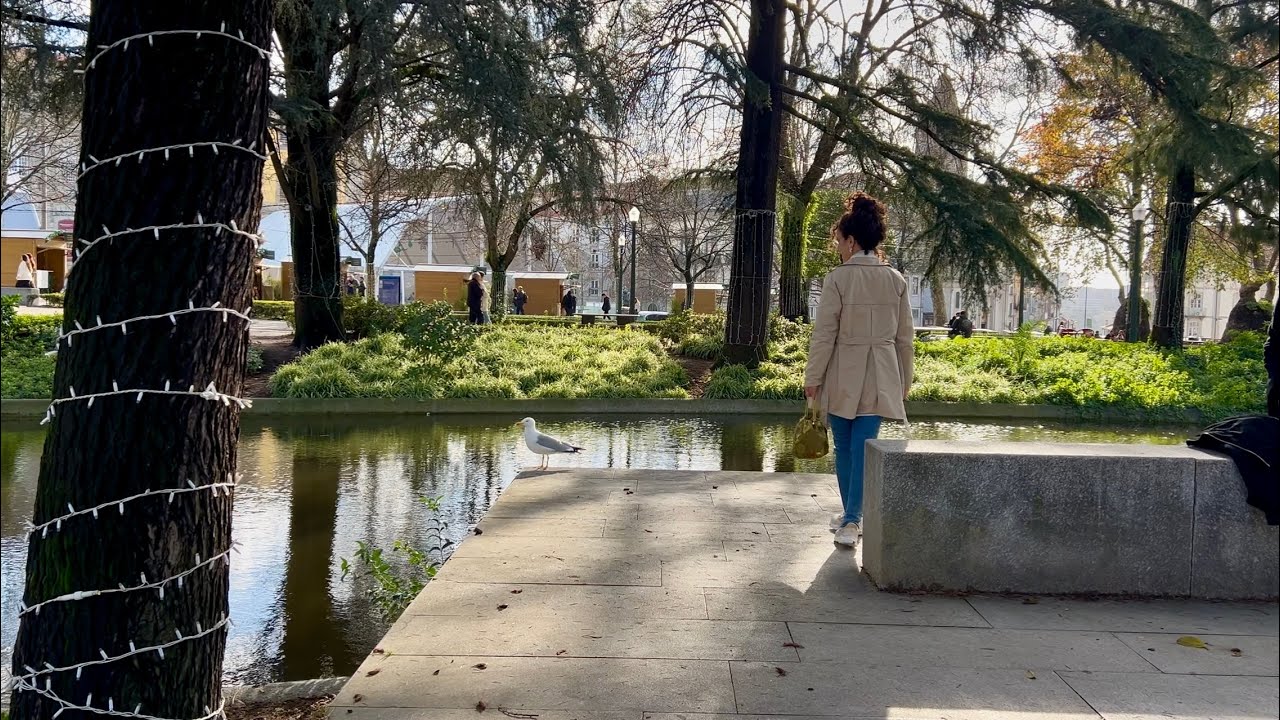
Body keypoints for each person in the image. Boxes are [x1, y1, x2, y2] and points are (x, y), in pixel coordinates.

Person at [804, 192, 914, 550]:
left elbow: (824, 336)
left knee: (846, 448)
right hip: (882, 372)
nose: (838, 247)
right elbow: (904, 339)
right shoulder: (895, 279)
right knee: (864, 446)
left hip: (842, 370)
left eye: (838, 241)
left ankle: (851, 518)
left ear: (851, 241)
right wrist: (905, 380)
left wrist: (813, 379)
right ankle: (852, 514)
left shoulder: (837, 278)